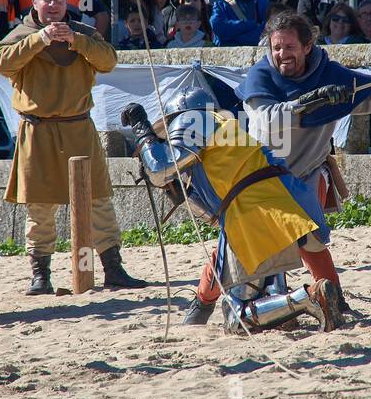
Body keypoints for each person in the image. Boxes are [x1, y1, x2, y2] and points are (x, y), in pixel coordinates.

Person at [236, 12, 371, 311]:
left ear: (307, 47)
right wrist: (312, 101)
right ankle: (202, 302)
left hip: (308, 171)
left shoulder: (328, 73)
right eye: (276, 48)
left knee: (309, 237)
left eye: (289, 47)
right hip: (262, 176)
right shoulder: (260, 75)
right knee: (238, 249)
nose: (282, 55)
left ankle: (335, 302)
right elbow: (268, 119)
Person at [120, 89, 343, 331]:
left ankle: (311, 297)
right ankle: (302, 303)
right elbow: (215, 208)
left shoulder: (191, 119)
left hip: (252, 212)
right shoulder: (228, 126)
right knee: (270, 299)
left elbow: (160, 169)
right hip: (282, 202)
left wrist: (143, 132)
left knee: (237, 319)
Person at [0, 0, 145, 294]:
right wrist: (41, 40)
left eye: (58, 0)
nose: (52, 6)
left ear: (67, 2)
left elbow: (108, 61)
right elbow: (3, 64)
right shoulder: (19, 35)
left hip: (79, 127)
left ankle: (113, 270)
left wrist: (77, 42)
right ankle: (41, 276)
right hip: (37, 131)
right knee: (39, 207)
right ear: (34, 2)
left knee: (99, 202)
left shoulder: (83, 34)